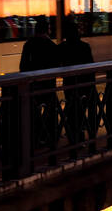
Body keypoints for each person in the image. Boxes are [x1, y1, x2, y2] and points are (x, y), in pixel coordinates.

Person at [20, 16, 60, 150]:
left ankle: (34, 138)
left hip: (33, 84)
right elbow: (57, 64)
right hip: (48, 84)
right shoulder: (51, 45)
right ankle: (50, 138)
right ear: (47, 30)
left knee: (33, 113)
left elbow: (23, 66)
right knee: (50, 112)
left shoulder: (28, 44)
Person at [57, 20, 96, 153]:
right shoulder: (85, 47)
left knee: (71, 110)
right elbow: (91, 67)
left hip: (69, 84)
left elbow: (58, 65)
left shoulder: (62, 47)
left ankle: (73, 138)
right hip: (84, 84)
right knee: (81, 111)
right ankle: (80, 138)